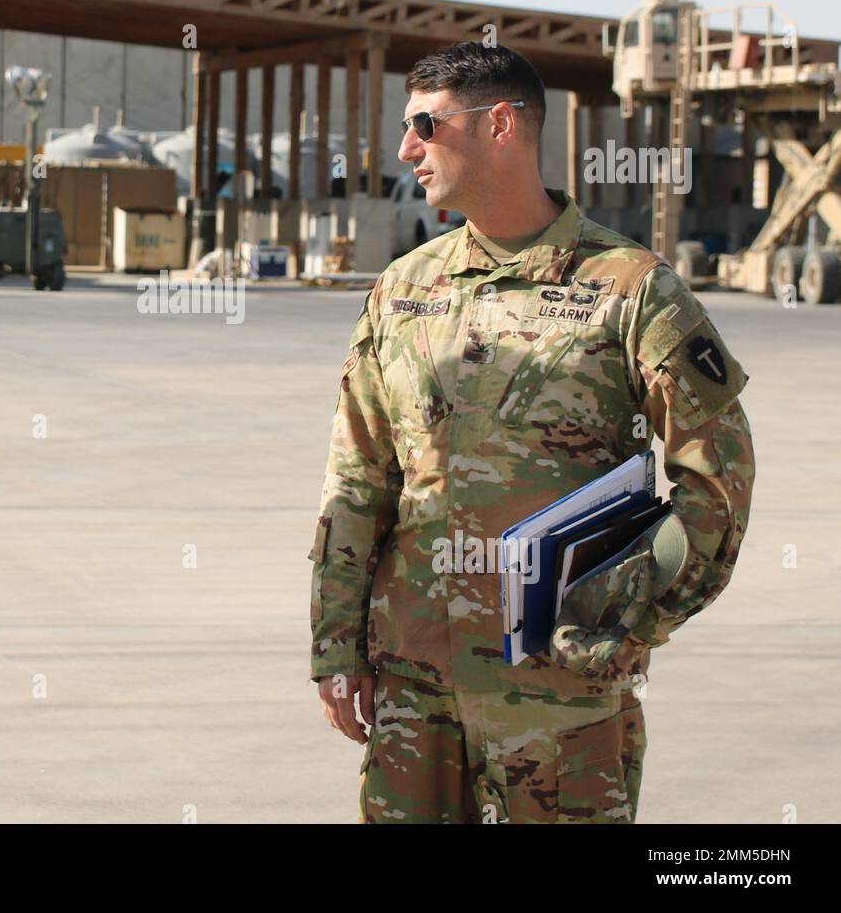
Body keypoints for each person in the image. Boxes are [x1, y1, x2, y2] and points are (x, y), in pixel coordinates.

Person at [308, 42, 754, 823]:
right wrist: (337, 648)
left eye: (425, 125)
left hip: (560, 703)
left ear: (501, 125)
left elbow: (716, 479)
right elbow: (358, 477)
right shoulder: (403, 291)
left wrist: (623, 612)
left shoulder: (630, 290)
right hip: (416, 690)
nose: (406, 148)